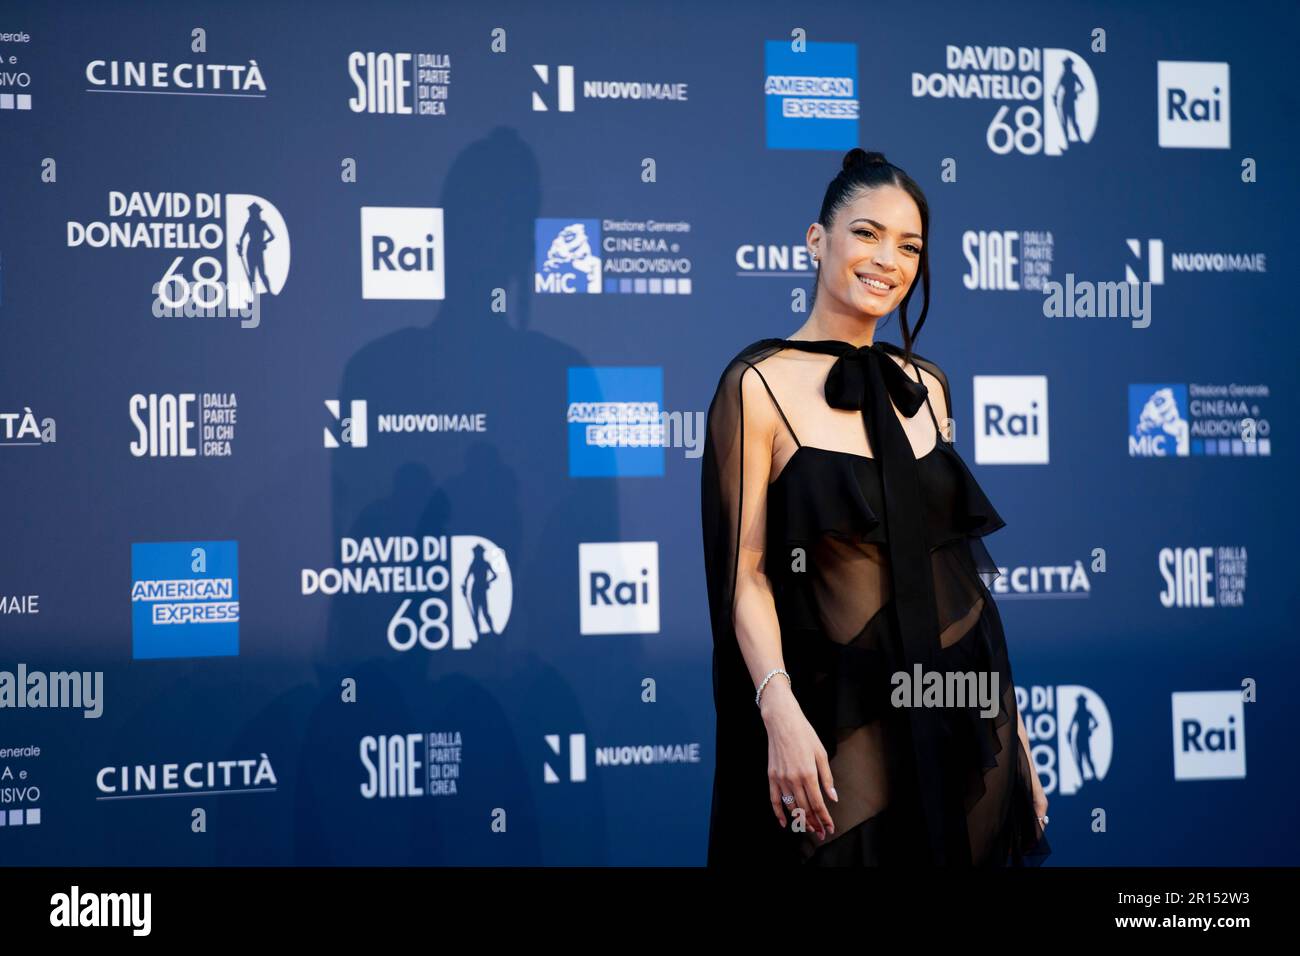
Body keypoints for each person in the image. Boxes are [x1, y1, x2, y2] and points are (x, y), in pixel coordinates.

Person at [699, 148, 1051, 866]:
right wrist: (779, 710)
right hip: (837, 718)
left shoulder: (928, 386)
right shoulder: (757, 386)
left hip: (954, 709)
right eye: (866, 233)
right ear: (816, 239)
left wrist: (1008, 730)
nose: (888, 258)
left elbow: (957, 575)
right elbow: (747, 577)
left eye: (909, 245)